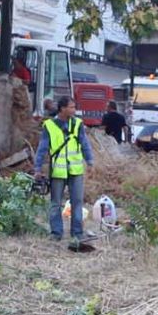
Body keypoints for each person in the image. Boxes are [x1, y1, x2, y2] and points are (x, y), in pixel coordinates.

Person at [35, 96, 94, 250]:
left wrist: (90, 161)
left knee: (77, 202)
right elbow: (42, 149)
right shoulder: (49, 126)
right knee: (56, 204)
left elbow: (84, 143)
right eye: (71, 107)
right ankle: (56, 232)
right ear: (62, 108)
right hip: (58, 171)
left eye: (74, 107)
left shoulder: (77, 124)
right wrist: (37, 168)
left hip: (75, 170)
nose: (74, 110)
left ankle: (77, 233)